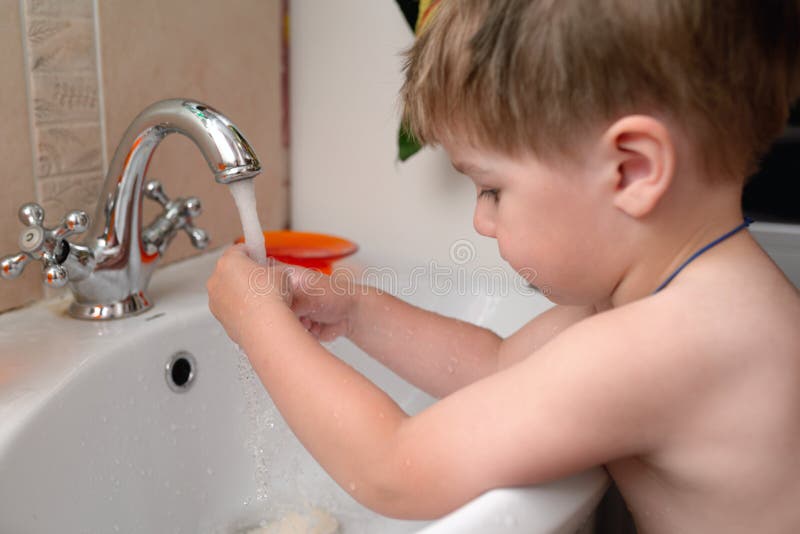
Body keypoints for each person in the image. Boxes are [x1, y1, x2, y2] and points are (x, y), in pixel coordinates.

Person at [207, 1, 800, 531]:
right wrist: (356, 310)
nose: (481, 222)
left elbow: (394, 468)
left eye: (492, 189)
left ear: (631, 170)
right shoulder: (669, 301)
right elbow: (495, 365)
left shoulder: (678, 340)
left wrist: (258, 322)